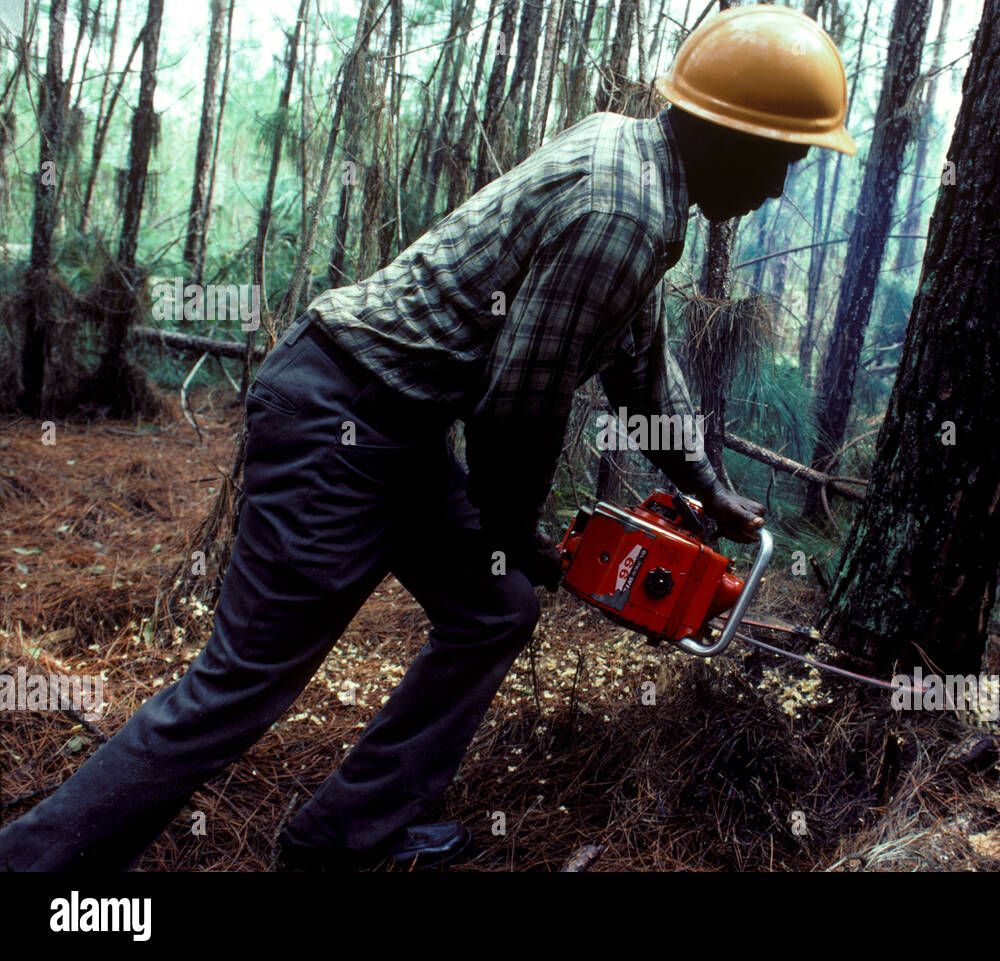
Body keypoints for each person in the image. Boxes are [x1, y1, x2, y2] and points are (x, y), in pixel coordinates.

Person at [0, 4, 856, 871]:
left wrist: (704, 482)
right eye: (782, 157)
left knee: (495, 607)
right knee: (239, 688)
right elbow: (514, 405)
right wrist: (515, 531)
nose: (779, 186)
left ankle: (346, 833)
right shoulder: (624, 211)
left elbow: (641, 355)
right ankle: (32, 864)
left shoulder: (636, 161)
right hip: (339, 416)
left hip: (395, 428)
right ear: (727, 132)